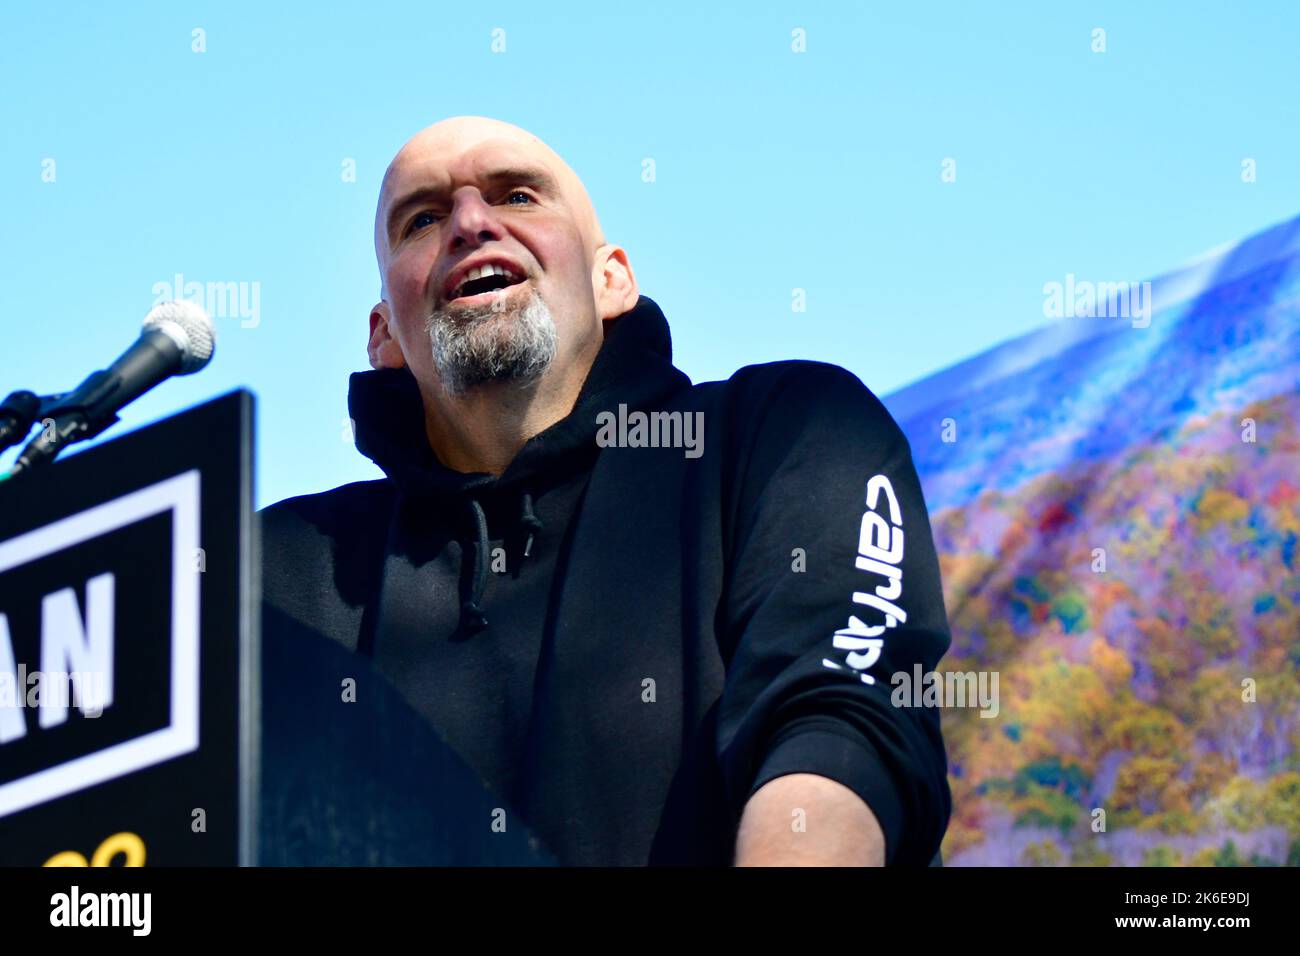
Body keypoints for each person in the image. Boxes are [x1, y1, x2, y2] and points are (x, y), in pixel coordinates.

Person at [260, 115, 952, 866]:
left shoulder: (788, 429)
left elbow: (837, 721)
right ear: (383, 334)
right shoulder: (273, 570)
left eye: (517, 196)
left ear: (610, 279)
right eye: (421, 218)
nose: (469, 222)